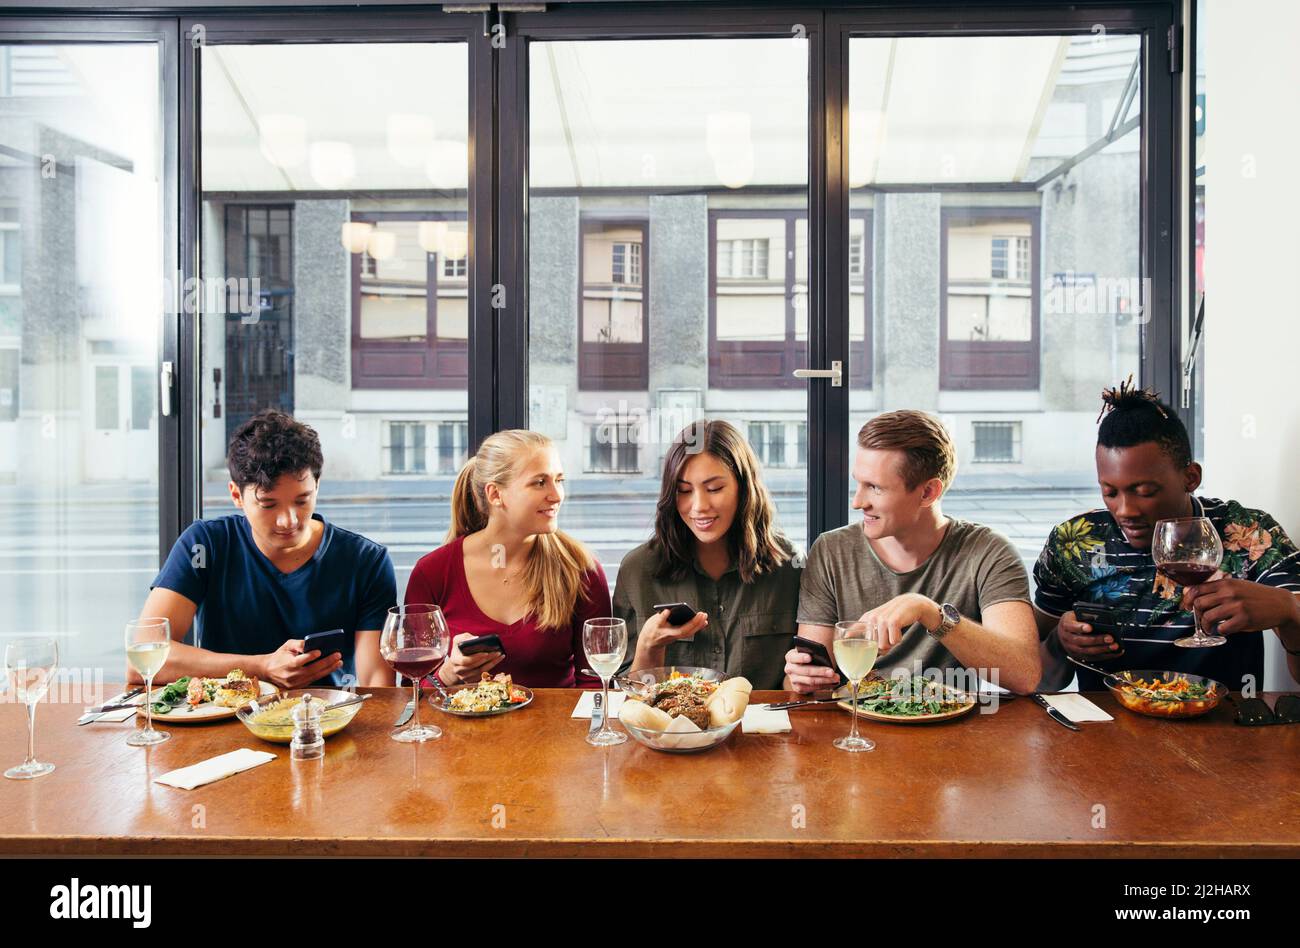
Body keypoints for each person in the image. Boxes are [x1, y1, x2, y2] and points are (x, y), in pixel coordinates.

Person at [1034, 379, 1300, 691]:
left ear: (1191, 477)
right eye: (1110, 492)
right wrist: (1057, 644)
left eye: (1145, 491)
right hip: (1105, 732)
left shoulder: (1247, 533)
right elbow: (1037, 681)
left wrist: (1290, 610)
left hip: (1223, 729)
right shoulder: (1074, 542)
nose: (1125, 510)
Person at [134, 410, 397, 689]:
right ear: (236, 495)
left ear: (317, 485)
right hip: (222, 720)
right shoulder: (204, 545)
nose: (289, 520)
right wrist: (261, 667)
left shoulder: (366, 560)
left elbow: (377, 685)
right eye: (268, 504)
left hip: (328, 721)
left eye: (302, 500)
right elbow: (141, 660)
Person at [784, 410, 1040, 695]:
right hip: (859, 726)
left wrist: (929, 612)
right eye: (858, 483)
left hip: (952, 730)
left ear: (928, 492)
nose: (857, 502)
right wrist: (802, 676)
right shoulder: (831, 550)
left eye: (875, 488)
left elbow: (1024, 675)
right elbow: (811, 677)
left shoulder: (989, 552)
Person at [406, 429, 609, 689]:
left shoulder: (581, 568)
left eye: (559, 480)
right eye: (540, 482)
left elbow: (595, 684)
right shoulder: (432, 572)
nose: (557, 495)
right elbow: (411, 689)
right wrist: (447, 674)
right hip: (461, 730)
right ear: (495, 495)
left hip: (555, 729)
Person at [612, 420, 802, 689]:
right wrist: (648, 645)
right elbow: (627, 695)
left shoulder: (789, 565)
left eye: (714, 489)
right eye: (684, 491)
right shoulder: (637, 570)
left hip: (765, 728)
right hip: (672, 730)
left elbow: (799, 687)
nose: (699, 506)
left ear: (743, 488)